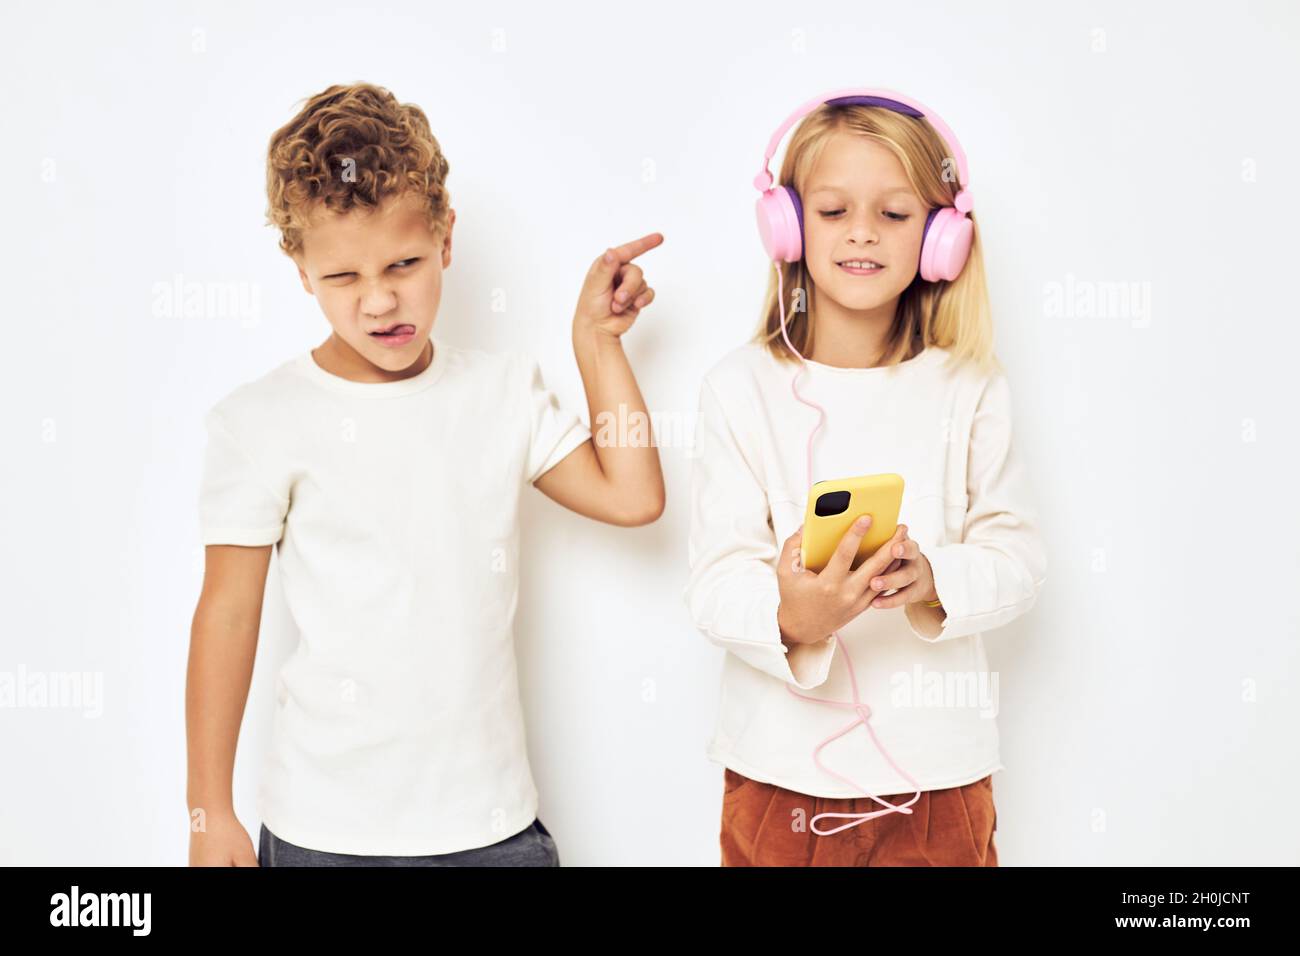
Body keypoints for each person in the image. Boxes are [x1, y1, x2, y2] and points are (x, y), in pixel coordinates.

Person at [186, 82, 664, 866]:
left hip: (491, 830)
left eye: (404, 262)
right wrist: (210, 811)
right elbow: (227, 619)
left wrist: (598, 346)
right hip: (320, 835)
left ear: (446, 237)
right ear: (300, 268)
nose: (380, 301)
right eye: (344, 278)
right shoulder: (259, 421)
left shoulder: (501, 393)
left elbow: (634, 496)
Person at [684, 90, 1048, 866]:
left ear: (942, 235)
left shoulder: (971, 386)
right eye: (832, 210)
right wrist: (793, 617)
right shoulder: (736, 388)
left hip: (937, 778)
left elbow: (1018, 560)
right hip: (777, 776)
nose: (861, 232)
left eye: (894, 213)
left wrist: (930, 578)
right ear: (785, 225)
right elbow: (715, 585)